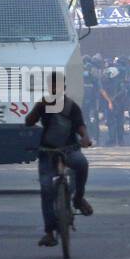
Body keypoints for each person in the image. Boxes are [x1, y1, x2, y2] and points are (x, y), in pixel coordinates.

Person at [25, 71, 93, 247]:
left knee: (82, 164)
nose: (55, 88)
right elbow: (29, 121)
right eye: (52, 85)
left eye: (58, 85)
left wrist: (85, 137)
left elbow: (80, 126)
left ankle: (78, 198)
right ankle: (49, 232)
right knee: (46, 189)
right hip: (47, 152)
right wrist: (37, 109)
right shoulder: (43, 104)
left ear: (64, 87)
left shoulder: (71, 106)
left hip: (70, 150)